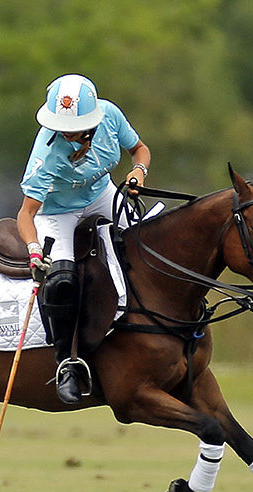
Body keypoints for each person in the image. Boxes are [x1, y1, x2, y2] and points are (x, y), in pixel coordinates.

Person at [16, 74, 151, 404]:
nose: (64, 132)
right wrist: (35, 251)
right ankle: (67, 363)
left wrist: (138, 172)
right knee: (62, 281)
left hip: (102, 194)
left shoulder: (110, 116)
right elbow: (25, 214)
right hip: (56, 212)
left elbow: (140, 150)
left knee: (150, 240)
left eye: (72, 127)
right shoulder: (46, 153)